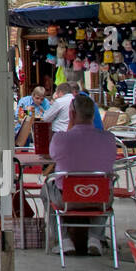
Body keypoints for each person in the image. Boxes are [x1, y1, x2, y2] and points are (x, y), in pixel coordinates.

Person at [45, 94, 117, 255]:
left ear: (71, 114)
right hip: (100, 200)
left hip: (67, 200)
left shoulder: (61, 139)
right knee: (106, 189)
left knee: (47, 188)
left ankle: (63, 240)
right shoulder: (109, 139)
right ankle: (95, 238)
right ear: (93, 114)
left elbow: (53, 156)